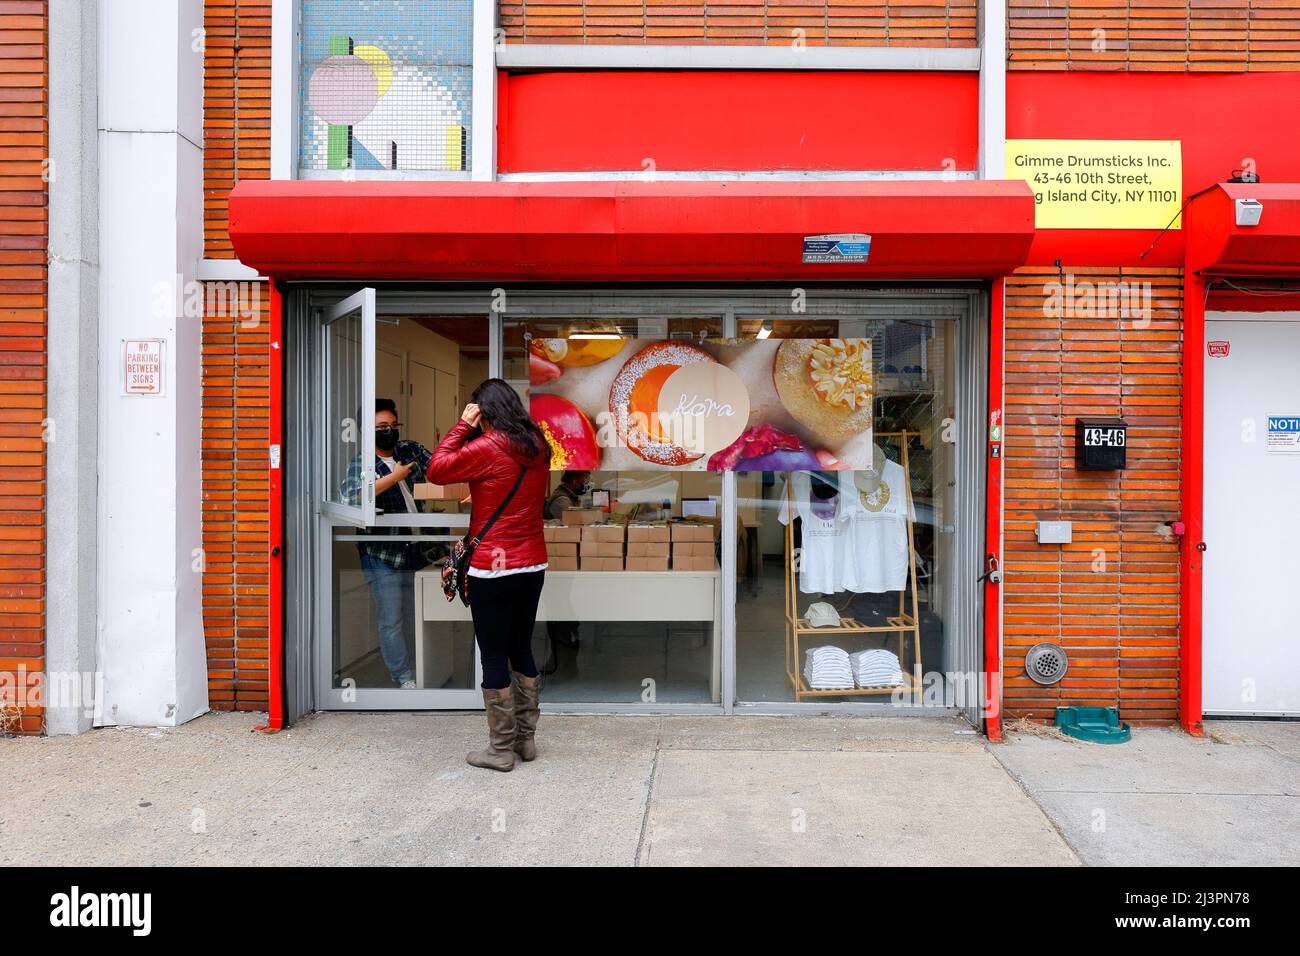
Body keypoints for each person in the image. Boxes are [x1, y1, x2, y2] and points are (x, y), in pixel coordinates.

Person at [426, 378, 552, 772]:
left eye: (475, 410)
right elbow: (513, 487)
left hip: (493, 569)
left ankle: (499, 750)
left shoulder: (486, 445)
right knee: (522, 647)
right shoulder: (537, 445)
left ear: (483, 411)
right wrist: (482, 490)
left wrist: (462, 425)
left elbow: (436, 470)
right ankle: (525, 742)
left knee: (493, 653)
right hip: (531, 563)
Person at [341, 398, 436, 688]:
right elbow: (352, 496)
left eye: (393, 425)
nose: (389, 431)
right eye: (382, 427)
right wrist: (395, 477)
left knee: (416, 615)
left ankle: (424, 669)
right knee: (391, 619)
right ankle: (403, 678)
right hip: (383, 554)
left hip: (416, 549)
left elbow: (439, 469)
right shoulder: (363, 461)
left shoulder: (409, 449)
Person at [543, 470, 590, 657]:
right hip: (559, 557)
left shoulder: (568, 497)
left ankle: (567, 629)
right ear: (573, 479)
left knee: (563, 596)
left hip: (564, 556)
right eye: (583, 479)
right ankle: (563, 634)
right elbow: (573, 526)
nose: (586, 483)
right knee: (560, 596)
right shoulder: (562, 501)